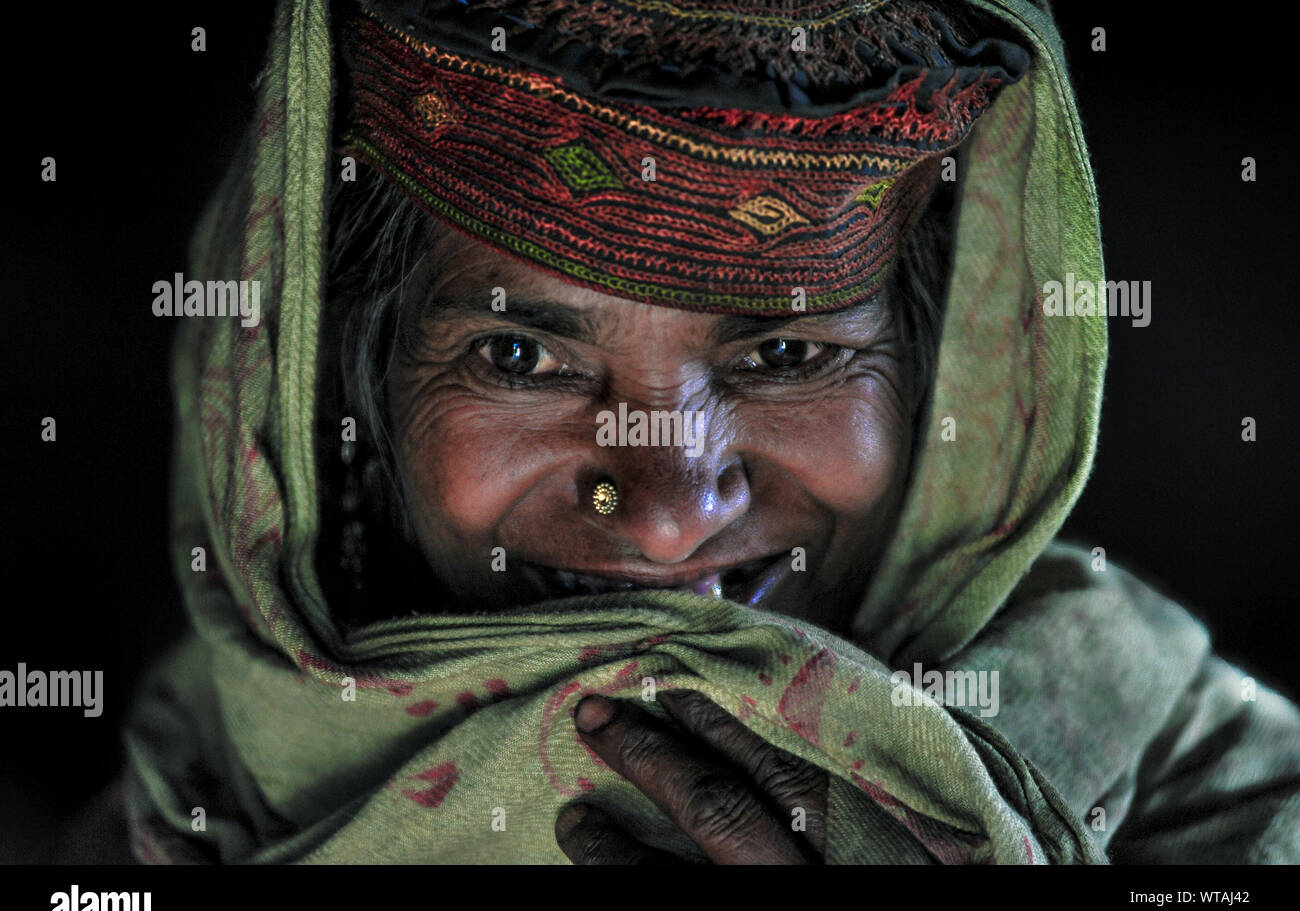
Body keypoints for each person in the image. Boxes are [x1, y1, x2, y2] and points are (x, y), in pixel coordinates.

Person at [104, 0, 1299, 863]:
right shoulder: (162, 814)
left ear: (949, 393)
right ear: (347, 391)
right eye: (520, 356)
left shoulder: (1208, 787)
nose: (672, 516)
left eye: (785, 356)